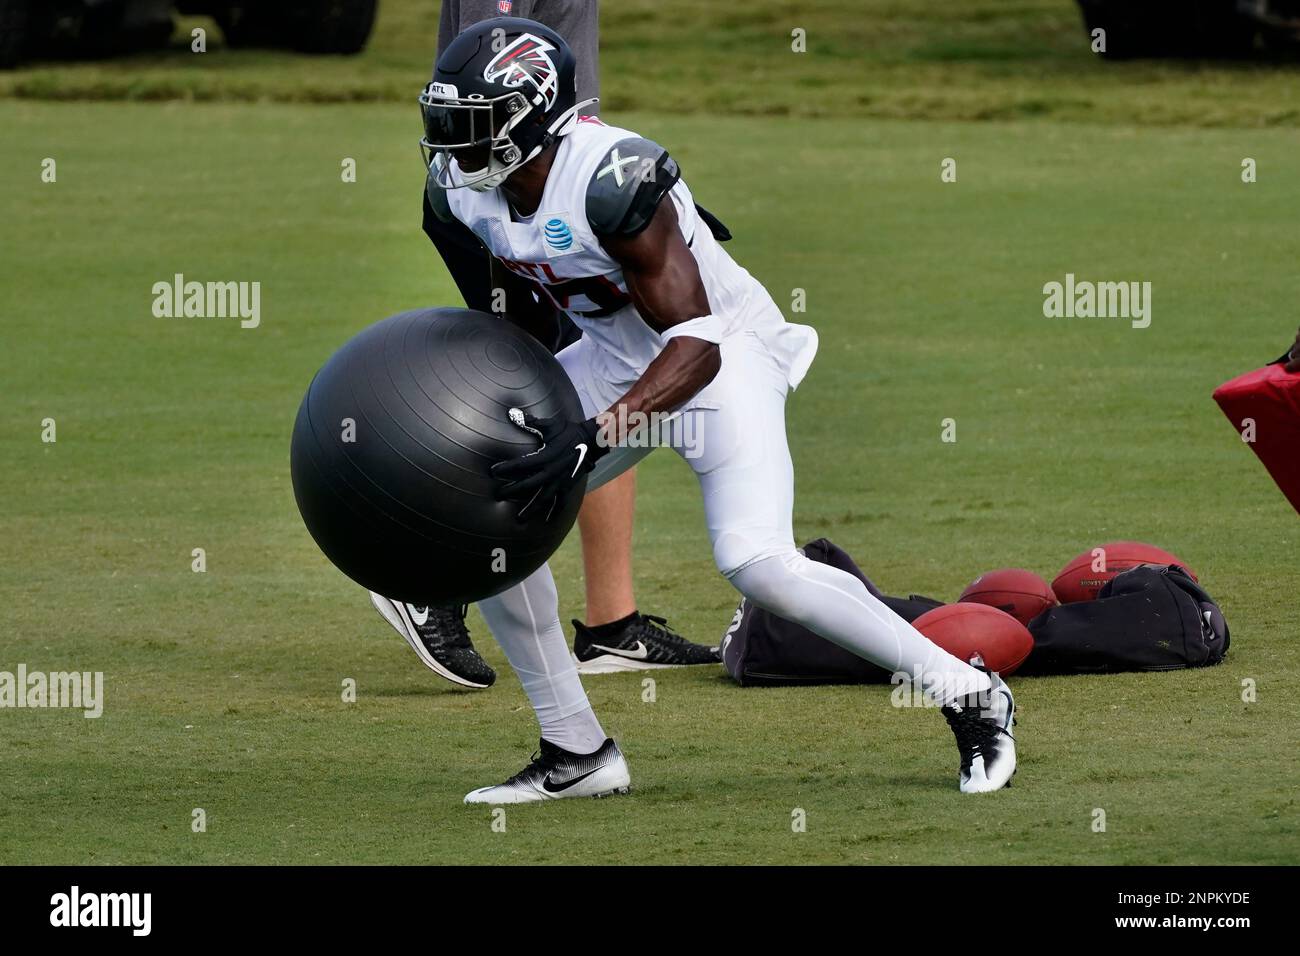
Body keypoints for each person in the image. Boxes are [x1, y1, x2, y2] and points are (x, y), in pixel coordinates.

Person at [420, 17, 1019, 802]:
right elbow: (516, 320)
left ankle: (972, 695)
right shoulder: (458, 198)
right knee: (490, 506)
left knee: (757, 562)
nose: (453, 151)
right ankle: (577, 750)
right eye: (446, 128)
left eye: (472, 128)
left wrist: (593, 435)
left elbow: (695, 340)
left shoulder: (614, 176)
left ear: (529, 117)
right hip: (611, 356)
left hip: (721, 353)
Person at [369, 0, 718, 689]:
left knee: (605, 379)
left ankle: (613, 625)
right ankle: (434, 569)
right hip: (505, 177)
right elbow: (482, 53)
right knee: (542, 396)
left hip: (560, 167)